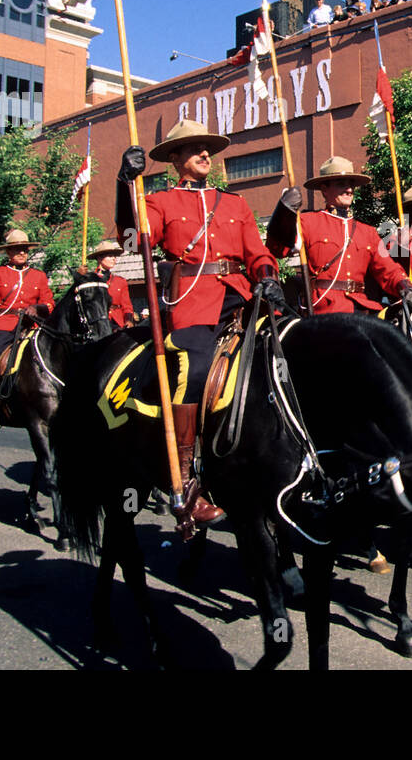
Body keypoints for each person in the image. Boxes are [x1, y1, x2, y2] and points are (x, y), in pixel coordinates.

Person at [116, 118, 286, 534]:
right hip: (192, 300)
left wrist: (266, 274)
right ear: (175, 159)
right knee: (194, 365)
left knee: (288, 346)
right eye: (194, 149)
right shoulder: (160, 202)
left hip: (241, 293)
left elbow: (257, 251)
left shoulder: (235, 203)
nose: (206, 155)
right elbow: (131, 238)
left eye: (207, 148)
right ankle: (187, 479)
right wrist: (125, 183)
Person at [266, 156, 412, 314]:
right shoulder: (307, 222)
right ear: (324, 189)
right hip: (323, 308)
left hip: (361, 308)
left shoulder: (368, 232)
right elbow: (277, 249)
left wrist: (405, 287)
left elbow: (388, 269)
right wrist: (284, 212)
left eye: (351, 185)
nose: (349, 189)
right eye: (341, 184)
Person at [0, 228, 54, 427]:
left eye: (25, 249)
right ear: (8, 252)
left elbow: (49, 303)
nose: (22, 253)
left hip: (32, 326)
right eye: (17, 249)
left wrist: (37, 308)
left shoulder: (38, 276)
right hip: (4, 324)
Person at [87, 239, 136, 329]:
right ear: (99, 258)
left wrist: (128, 320)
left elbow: (127, 306)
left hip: (117, 322)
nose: (114, 259)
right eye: (110, 256)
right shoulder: (89, 280)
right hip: (97, 322)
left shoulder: (120, 281)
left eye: (114, 256)